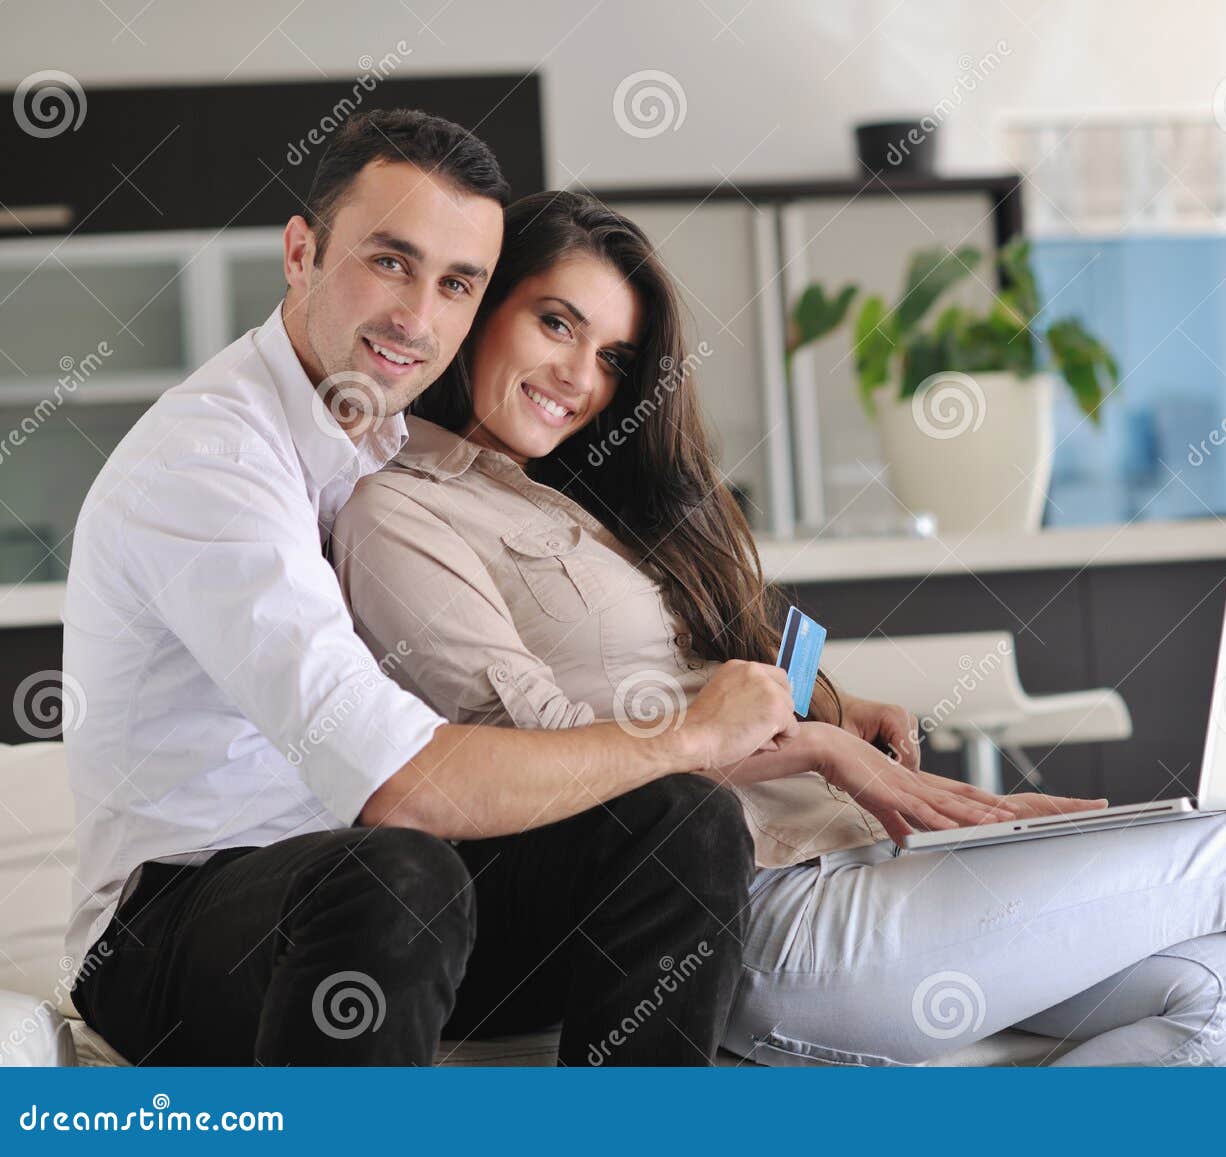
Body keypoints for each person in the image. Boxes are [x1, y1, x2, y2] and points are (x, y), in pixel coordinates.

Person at [331, 188, 1226, 1067]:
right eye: (556, 321)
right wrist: (818, 748)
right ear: (484, 307)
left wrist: (844, 726)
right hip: (770, 914)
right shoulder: (404, 512)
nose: (581, 376)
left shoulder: (574, 499)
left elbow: (683, 689)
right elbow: (546, 776)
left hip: (854, 861)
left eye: (613, 356)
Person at [63, 110, 796, 1068]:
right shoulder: (212, 456)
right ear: (300, 253)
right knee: (402, 870)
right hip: (171, 924)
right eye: (390, 261)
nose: (419, 317)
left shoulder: (381, 442)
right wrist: (690, 733)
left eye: (457, 284)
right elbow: (397, 781)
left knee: (678, 823)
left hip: (375, 899)